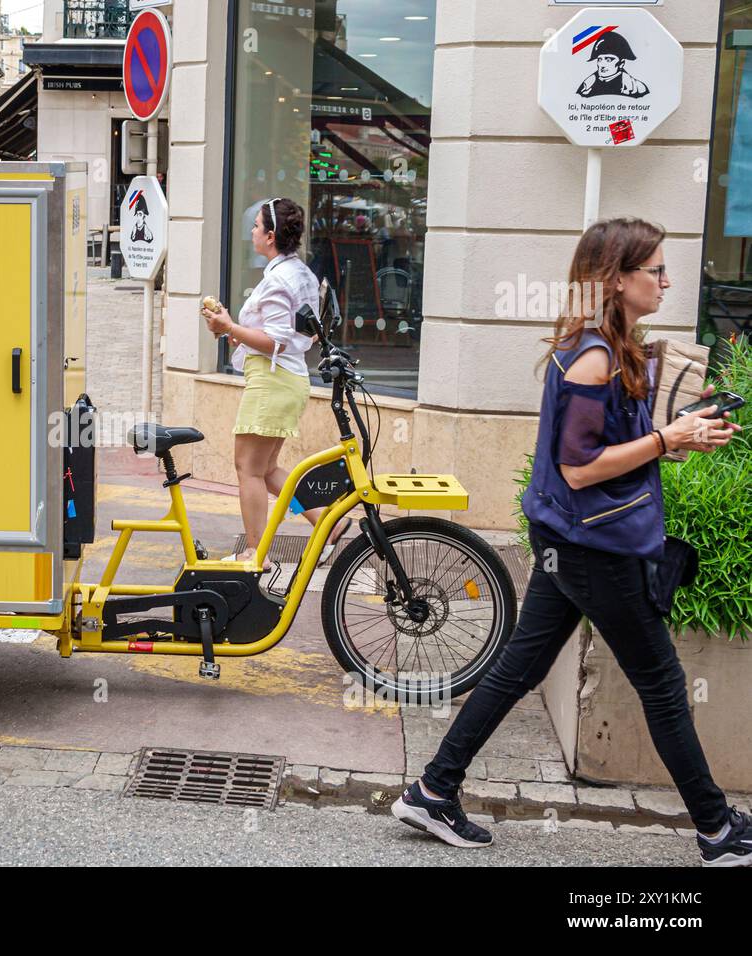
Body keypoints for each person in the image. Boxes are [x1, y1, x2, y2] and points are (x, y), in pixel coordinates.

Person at [391, 218, 751, 867]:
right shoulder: (594, 356)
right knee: (664, 687)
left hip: (572, 538)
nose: (667, 280)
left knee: (521, 666)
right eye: (656, 271)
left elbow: (603, 454)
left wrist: (676, 434)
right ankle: (718, 830)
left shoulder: (604, 345)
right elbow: (580, 466)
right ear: (617, 279)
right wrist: (668, 441)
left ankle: (433, 789)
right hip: (596, 548)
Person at [202, 197, 352, 570]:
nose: (251, 232)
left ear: (270, 236)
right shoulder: (299, 273)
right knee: (266, 469)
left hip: (273, 382)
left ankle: (257, 553)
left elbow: (276, 340)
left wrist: (229, 327)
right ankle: (326, 521)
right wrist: (235, 331)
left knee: (248, 469)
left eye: (255, 226)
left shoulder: (278, 280)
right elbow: (290, 334)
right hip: (286, 379)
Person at [577, 31, 650, 99]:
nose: (602, 64)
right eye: (599, 59)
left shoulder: (637, 88)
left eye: (608, 60)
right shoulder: (586, 86)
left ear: (621, 64)